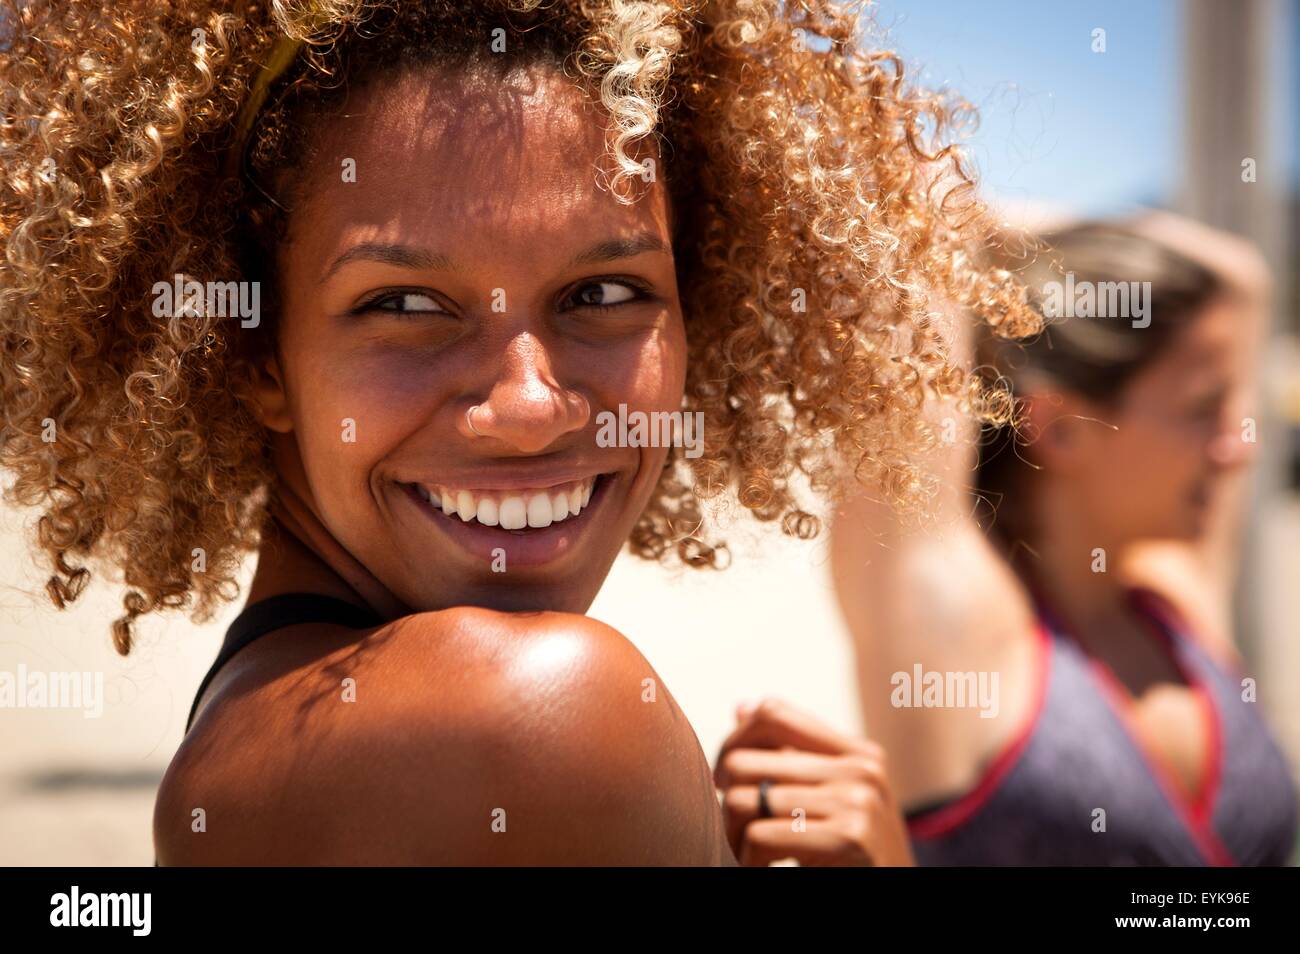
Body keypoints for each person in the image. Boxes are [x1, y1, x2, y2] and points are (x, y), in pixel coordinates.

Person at [0, 0, 1030, 865]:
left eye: (604, 290)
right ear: (255, 354)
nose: (530, 402)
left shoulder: (261, 730)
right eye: (403, 305)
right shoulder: (534, 716)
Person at [830, 215, 1299, 865]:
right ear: (1062, 427)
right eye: (1202, 409)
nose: (1237, 448)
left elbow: (1242, 278)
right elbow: (903, 235)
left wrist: (1011, 237)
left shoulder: (1178, 593)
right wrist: (982, 237)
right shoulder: (957, 632)